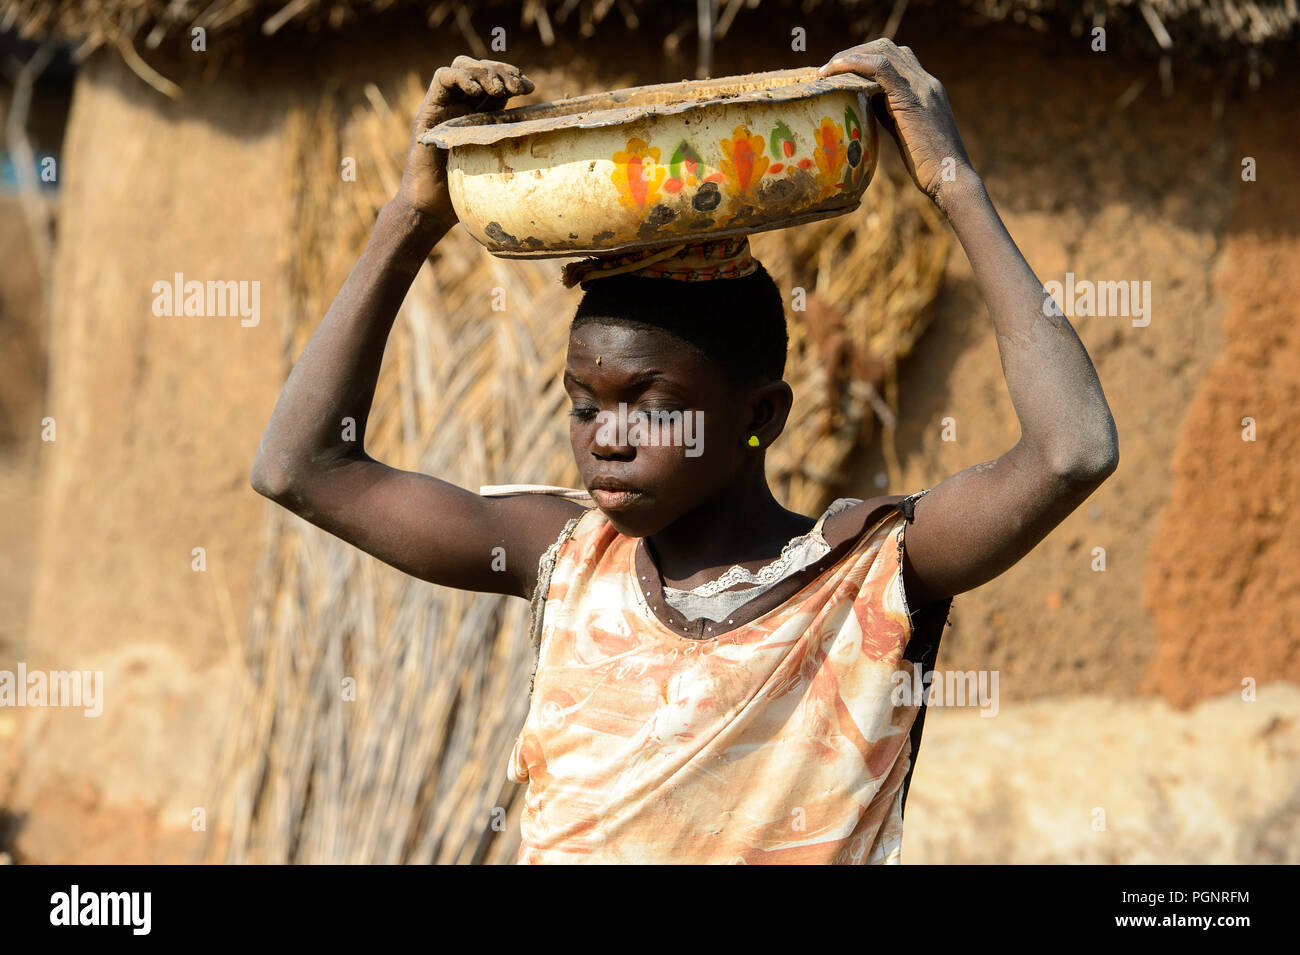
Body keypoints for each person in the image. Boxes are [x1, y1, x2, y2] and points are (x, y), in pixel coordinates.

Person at [250, 45, 1118, 864]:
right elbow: (302, 467)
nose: (607, 436)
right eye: (584, 404)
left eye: (650, 405)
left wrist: (951, 182)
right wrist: (412, 216)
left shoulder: (865, 576)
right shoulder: (566, 556)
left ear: (762, 415)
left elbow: (1072, 450)